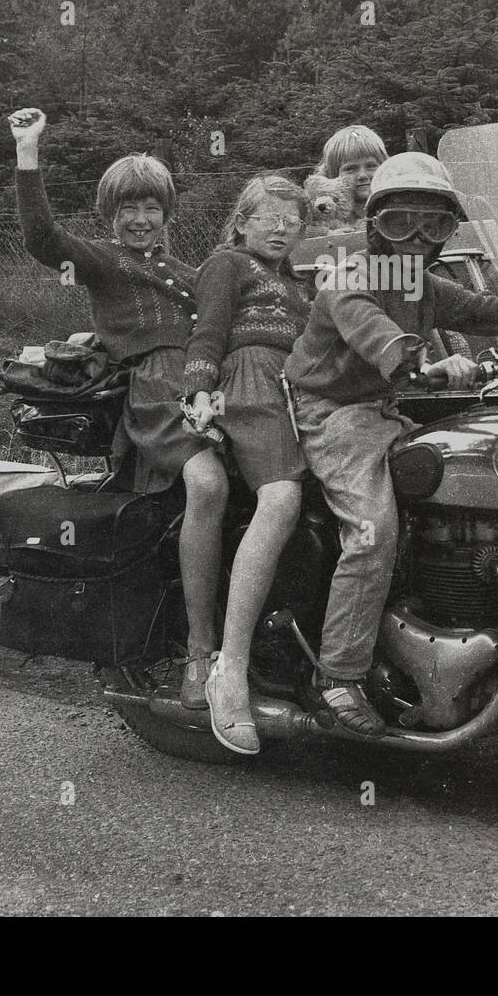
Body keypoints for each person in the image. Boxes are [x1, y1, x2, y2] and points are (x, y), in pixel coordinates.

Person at [283, 152, 498, 736]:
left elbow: (485, 310)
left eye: (434, 225)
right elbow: (370, 326)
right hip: (333, 411)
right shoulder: (351, 275)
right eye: (401, 223)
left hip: (386, 409)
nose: (417, 238)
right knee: (372, 531)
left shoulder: (421, 283)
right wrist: (422, 365)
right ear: (374, 226)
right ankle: (337, 676)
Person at [9, 108, 227, 709]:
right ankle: (199, 652)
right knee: (206, 483)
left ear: (167, 213)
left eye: (150, 207)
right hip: (161, 395)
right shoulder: (103, 261)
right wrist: (28, 154)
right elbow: (42, 240)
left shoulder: (190, 272)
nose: (139, 219)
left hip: (220, 386)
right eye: (127, 209)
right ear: (109, 216)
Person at [181, 175, 314, 754]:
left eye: (293, 220)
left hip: (297, 393)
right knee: (281, 495)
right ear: (243, 222)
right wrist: (200, 394)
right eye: (270, 217)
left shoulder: (298, 284)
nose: (283, 228)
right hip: (249, 382)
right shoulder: (228, 264)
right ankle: (226, 668)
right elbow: (207, 334)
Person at [312, 124, 387, 225]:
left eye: (371, 166)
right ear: (333, 175)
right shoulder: (326, 213)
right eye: (350, 169)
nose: (362, 175)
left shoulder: (397, 204)